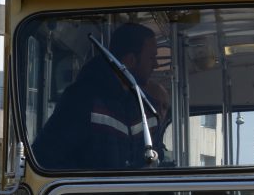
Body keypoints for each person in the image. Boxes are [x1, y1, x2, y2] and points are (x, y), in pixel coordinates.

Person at [33, 22, 170, 171]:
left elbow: (155, 161)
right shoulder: (82, 99)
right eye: (151, 58)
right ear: (131, 60)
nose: (156, 65)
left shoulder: (145, 107)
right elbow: (44, 158)